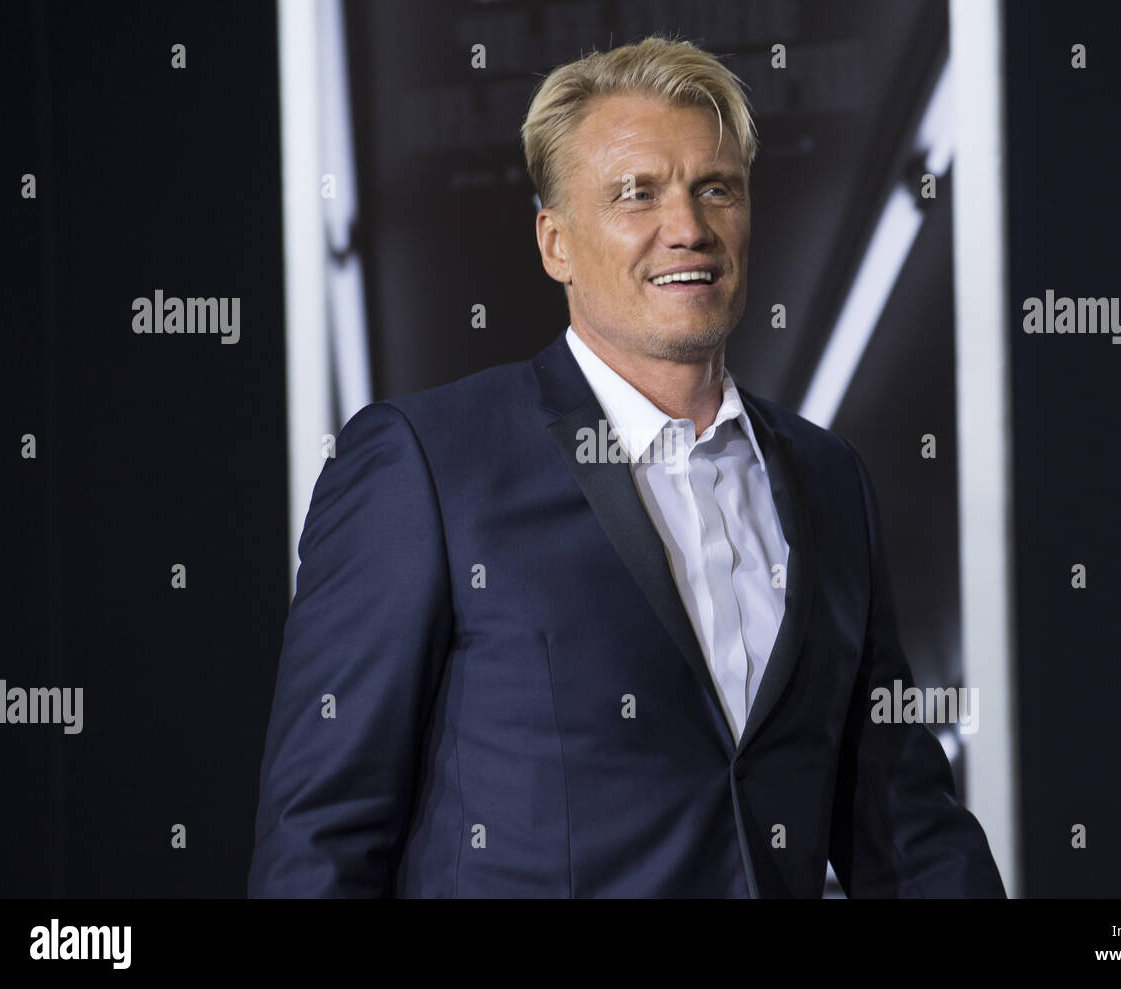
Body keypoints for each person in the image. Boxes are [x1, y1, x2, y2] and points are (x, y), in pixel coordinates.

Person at [248, 35, 1005, 898]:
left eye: (715, 188)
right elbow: (320, 835)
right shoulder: (425, 465)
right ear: (556, 243)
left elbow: (905, 824)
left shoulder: (829, 480)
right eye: (636, 193)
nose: (687, 228)